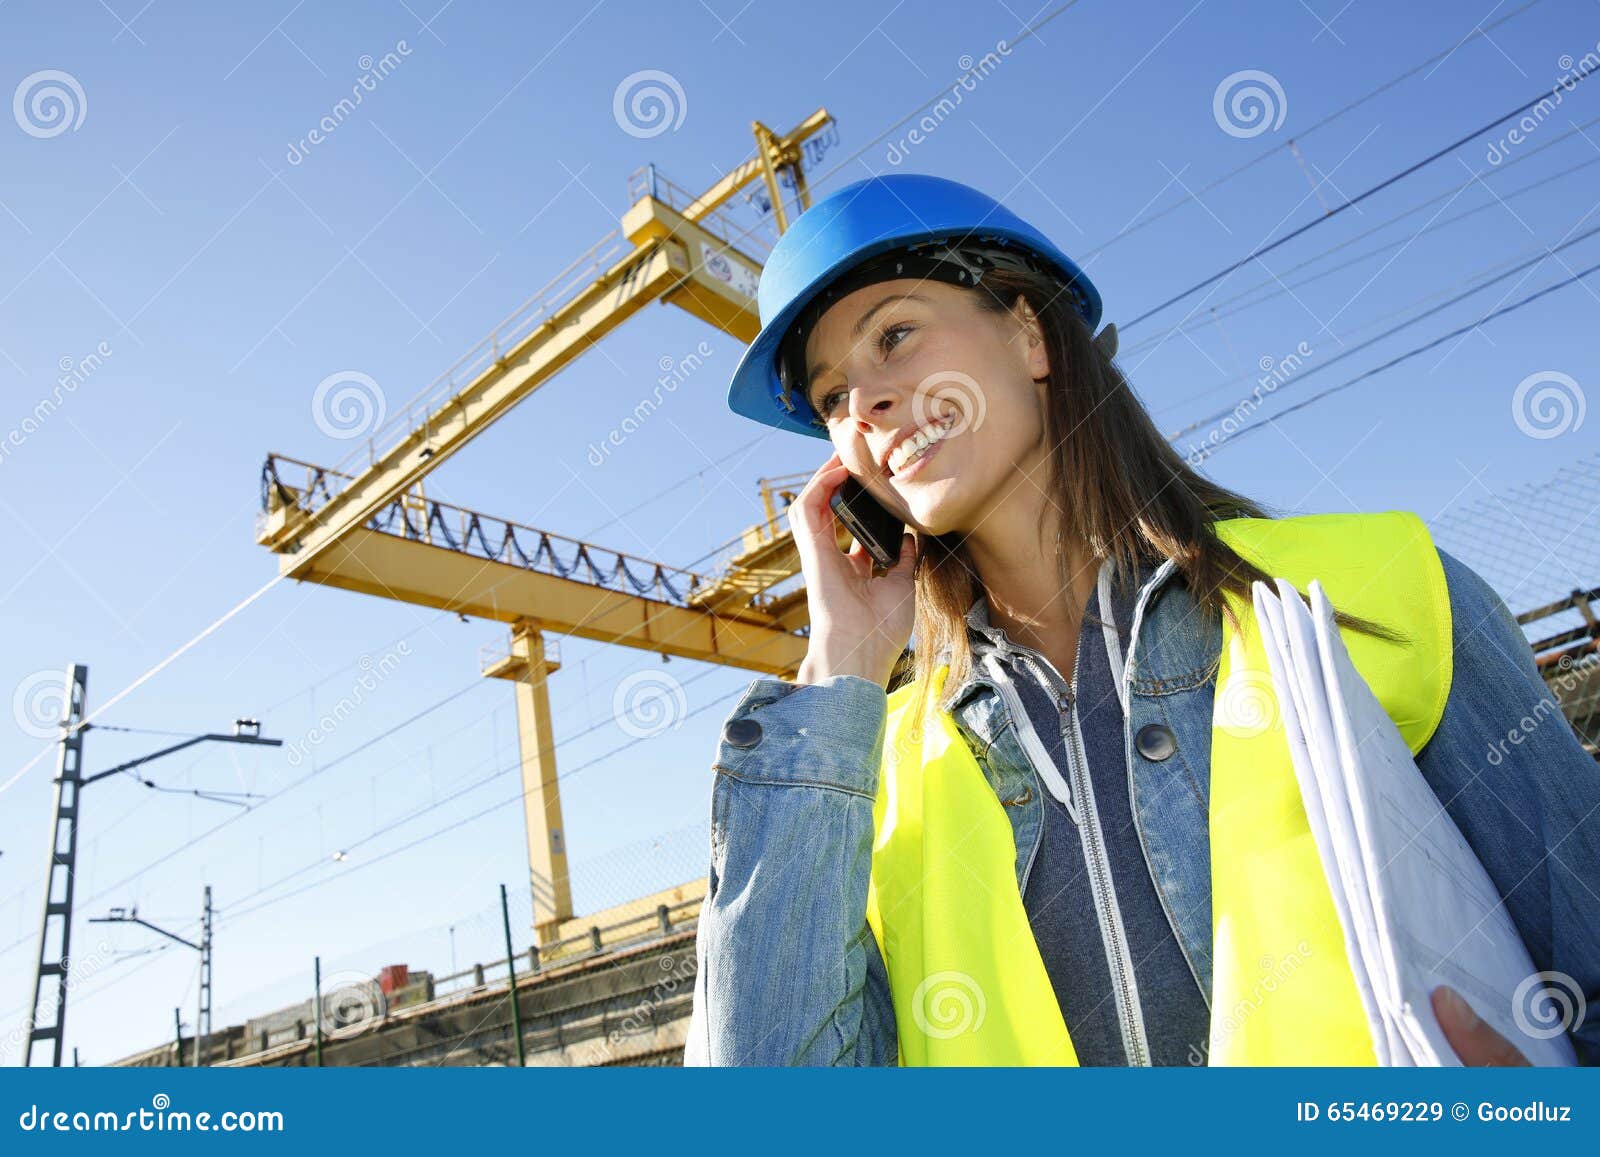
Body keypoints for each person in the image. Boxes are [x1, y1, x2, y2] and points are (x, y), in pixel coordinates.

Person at [683, 172, 1600, 1067]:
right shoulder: (866, 772)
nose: (864, 407)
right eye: (831, 398)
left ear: (1030, 335)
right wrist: (839, 671)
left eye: (895, 335)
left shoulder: (1376, 587)